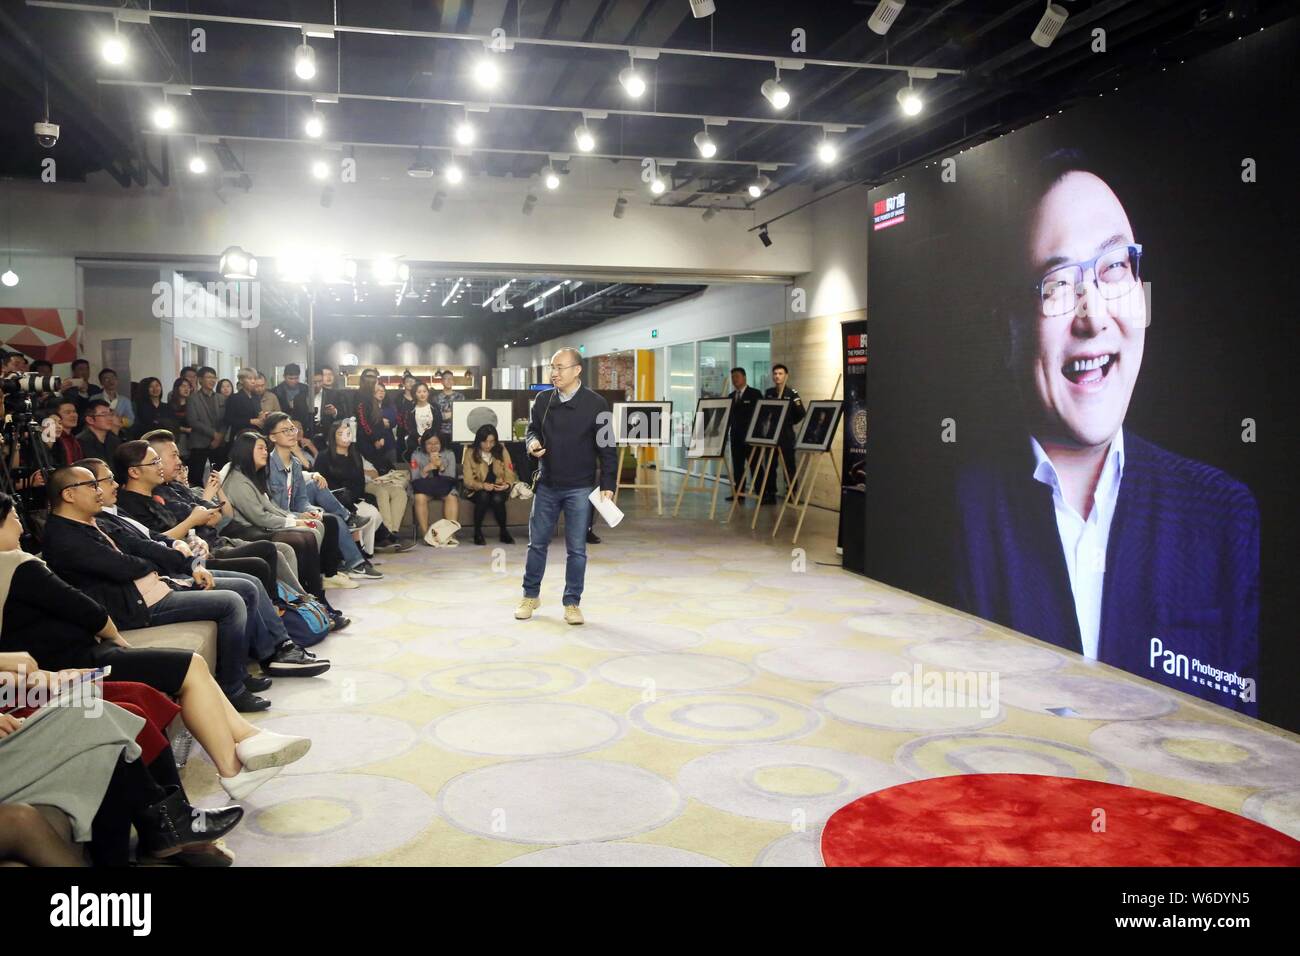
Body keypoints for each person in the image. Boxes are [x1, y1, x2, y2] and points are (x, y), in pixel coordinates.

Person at [953, 150, 1260, 712]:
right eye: (1057, 283)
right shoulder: (956, 512)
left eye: (1114, 268)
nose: (1092, 316)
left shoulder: (1221, 514)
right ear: (1009, 328)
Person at [0, 495, 312, 802]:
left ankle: (245, 744)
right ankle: (237, 759)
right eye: (14, 518)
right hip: (74, 660)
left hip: (59, 660)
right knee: (189, 665)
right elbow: (87, 610)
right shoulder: (19, 564)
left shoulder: (68, 537)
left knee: (192, 663)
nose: (21, 527)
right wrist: (115, 637)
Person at [40, 466, 268, 711]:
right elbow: (122, 566)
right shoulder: (63, 537)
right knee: (231, 602)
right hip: (132, 606)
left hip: (155, 587)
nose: (100, 491)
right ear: (69, 495)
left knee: (245, 587)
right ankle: (233, 689)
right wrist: (155, 565)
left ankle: (238, 674)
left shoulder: (92, 522)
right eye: (92, 485)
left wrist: (191, 565)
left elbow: (142, 545)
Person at [518, 348, 617, 625]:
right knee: (536, 545)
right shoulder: (542, 400)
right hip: (547, 484)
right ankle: (530, 595)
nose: (554, 373)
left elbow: (608, 445)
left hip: (580, 488)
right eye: (552, 367)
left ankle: (572, 602)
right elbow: (532, 430)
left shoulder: (597, 404)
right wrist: (532, 444)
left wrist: (608, 482)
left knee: (576, 549)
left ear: (577, 370)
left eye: (560, 367)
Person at [221, 430, 355, 593]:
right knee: (304, 536)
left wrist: (298, 517)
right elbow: (260, 517)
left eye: (265, 449)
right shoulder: (238, 481)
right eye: (260, 449)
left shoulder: (253, 475)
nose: (265, 453)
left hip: (263, 525)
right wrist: (296, 521)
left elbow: (276, 507)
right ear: (246, 451)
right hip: (249, 531)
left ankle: (316, 587)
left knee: (316, 528)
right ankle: (310, 592)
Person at [263, 412, 381, 579]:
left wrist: (312, 510)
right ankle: (353, 553)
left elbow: (301, 500)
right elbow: (273, 509)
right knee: (330, 513)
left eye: (292, 429)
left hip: (294, 508)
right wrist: (301, 515)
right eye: (285, 431)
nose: (291, 434)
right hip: (281, 516)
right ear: (272, 437)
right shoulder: (267, 465)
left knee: (329, 512)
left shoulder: (295, 464)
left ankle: (355, 562)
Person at [315, 419, 410, 555]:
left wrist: (353, 496)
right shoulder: (324, 457)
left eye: (347, 433)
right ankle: (364, 547)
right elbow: (320, 484)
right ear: (333, 436)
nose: (344, 437)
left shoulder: (355, 456)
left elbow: (360, 482)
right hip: (334, 499)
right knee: (360, 513)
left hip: (354, 497)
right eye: (340, 433)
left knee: (373, 514)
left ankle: (370, 547)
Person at [763, 363, 805, 504]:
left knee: (789, 465)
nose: (777, 376)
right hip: (771, 435)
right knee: (770, 465)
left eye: (780, 373)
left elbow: (801, 413)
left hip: (786, 435)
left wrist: (788, 422)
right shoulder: (769, 393)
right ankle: (770, 493)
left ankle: (791, 493)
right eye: (775, 373)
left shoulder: (792, 393)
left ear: (786, 376)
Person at [412, 430, 461, 544]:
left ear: (441, 443)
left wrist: (441, 467)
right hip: (425, 488)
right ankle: (426, 535)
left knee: (452, 497)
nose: (433, 447)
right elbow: (414, 478)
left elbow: (451, 477)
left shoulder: (449, 454)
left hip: (444, 488)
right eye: (429, 443)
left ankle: (450, 535)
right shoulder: (416, 455)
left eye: (436, 443)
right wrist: (426, 469)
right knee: (419, 498)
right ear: (424, 444)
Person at [725, 367, 762, 501]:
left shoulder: (755, 394)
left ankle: (761, 493)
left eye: (737, 377)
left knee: (755, 465)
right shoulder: (731, 397)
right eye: (733, 377)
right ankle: (739, 493)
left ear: (744, 377)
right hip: (736, 437)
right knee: (738, 466)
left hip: (751, 438)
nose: (735, 380)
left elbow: (761, 415)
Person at [188, 365, 227, 478]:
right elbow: (193, 421)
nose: (212, 380)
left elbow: (226, 420)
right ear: (200, 380)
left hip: (219, 443)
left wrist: (220, 436)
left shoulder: (221, 398)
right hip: (200, 442)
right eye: (208, 377)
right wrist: (214, 434)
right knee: (196, 476)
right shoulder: (193, 398)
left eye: (214, 377)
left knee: (220, 475)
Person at [75, 399, 121, 463]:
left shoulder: (114, 440)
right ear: (90, 419)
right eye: (104, 415)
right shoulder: (80, 442)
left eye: (110, 414)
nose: (110, 418)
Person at [225, 368, 267, 436]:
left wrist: (262, 416)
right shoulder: (234, 398)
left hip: (256, 433)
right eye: (250, 379)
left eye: (255, 379)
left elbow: (258, 413)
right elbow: (229, 419)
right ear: (241, 380)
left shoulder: (256, 397)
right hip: (241, 434)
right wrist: (251, 421)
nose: (253, 381)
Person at [403, 382, 437, 457]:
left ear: (428, 393)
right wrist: (418, 437)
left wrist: (430, 438)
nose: (422, 394)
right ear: (415, 394)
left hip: (433, 441)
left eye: (424, 391)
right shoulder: (411, 409)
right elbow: (409, 426)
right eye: (419, 392)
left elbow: (438, 424)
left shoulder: (434, 407)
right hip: (416, 441)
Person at [97, 368, 134, 434]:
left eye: (113, 378)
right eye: (106, 379)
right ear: (101, 382)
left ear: (117, 380)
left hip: (119, 433)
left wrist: (119, 419)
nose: (111, 381)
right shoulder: (95, 399)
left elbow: (131, 420)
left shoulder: (125, 401)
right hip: (100, 433)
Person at [48, 399, 83, 466]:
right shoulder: (53, 439)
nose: (73, 415)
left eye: (74, 411)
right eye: (68, 412)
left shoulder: (73, 439)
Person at [434, 369, 462, 451]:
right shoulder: (436, 398)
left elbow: (462, 415)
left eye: (451, 379)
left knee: (457, 459)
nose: (449, 381)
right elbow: (437, 417)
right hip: (441, 434)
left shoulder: (460, 397)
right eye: (446, 378)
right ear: (442, 381)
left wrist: (446, 415)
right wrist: (452, 414)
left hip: (457, 433)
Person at [168, 376, 193, 458]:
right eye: (183, 386)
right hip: (178, 438)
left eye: (188, 386)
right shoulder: (170, 406)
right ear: (177, 388)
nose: (186, 389)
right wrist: (185, 429)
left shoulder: (193, 404)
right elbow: (170, 423)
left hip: (193, 439)